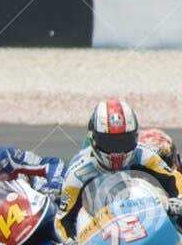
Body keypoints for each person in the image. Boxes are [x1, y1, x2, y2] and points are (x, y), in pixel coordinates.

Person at [58, 100, 182, 237]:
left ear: (135, 137)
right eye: (109, 142)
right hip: (100, 235)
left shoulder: (144, 155)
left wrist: (179, 199)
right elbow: (63, 220)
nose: (117, 151)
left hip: (147, 222)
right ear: (93, 138)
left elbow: (174, 178)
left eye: (124, 141)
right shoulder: (77, 173)